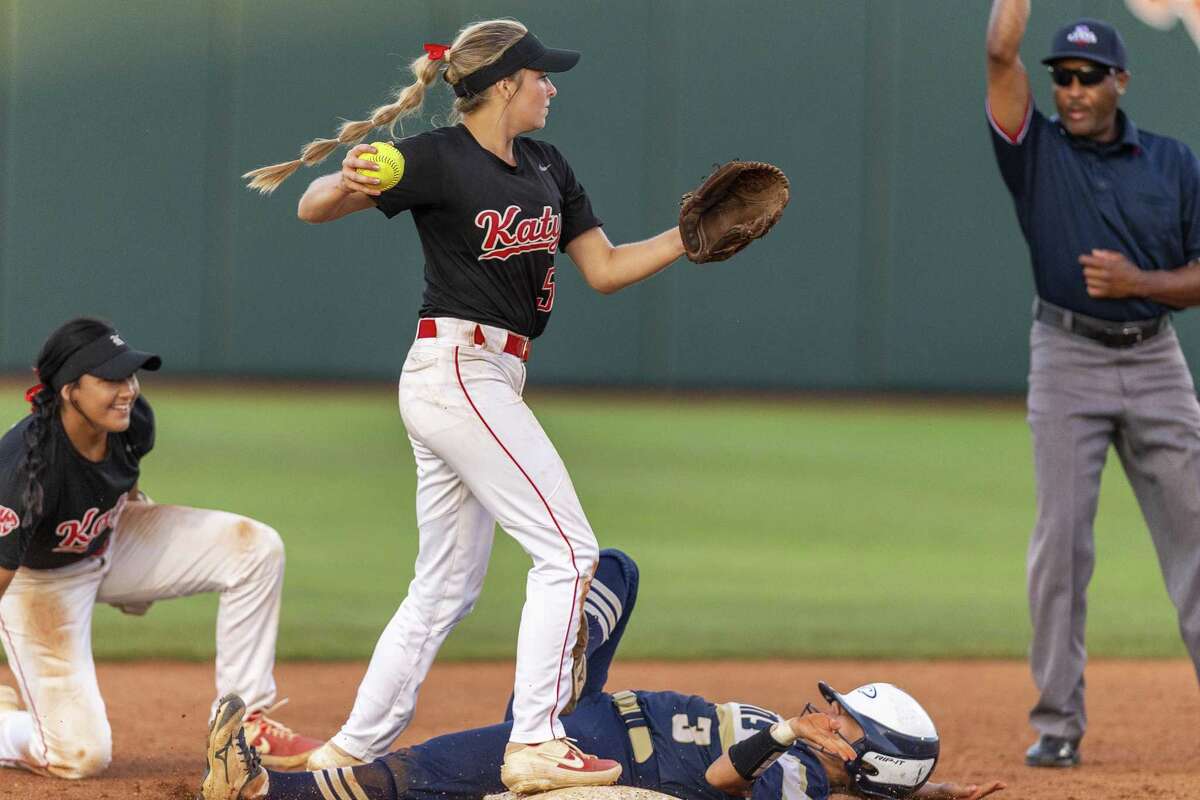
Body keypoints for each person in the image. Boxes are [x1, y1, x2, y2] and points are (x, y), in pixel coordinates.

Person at [242, 19, 696, 791]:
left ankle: (351, 751)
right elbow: (311, 207)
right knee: (569, 551)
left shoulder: (548, 165)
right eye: (542, 76)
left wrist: (689, 236)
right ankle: (536, 743)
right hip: (457, 368)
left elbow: (608, 268)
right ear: (506, 84)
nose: (552, 87)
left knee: (445, 588)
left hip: (488, 378)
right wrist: (356, 176)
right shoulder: (438, 159)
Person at [197, 548, 1005, 800]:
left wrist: (793, 736)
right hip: (590, 714)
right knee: (613, 571)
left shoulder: (801, 775)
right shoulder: (834, 769)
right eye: (834, 707)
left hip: (597, 750)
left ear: (861, 759)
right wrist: (926, 789)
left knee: (428, 776)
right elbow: (883, 778)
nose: (823, 710)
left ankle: (266, 786)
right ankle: (567, 644)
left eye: (844, 722)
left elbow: (729, 776)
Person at [985, 2, 1200, 768]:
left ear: (1120, 80)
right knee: (1063, 548)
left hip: (1155, 361)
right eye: (1063, 77)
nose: (1071, 90)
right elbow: (1001, 58)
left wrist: (1138, 279)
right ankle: (1057, 724)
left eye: (1087, 77)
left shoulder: (1174, 162)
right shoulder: (1036, 152)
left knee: (1197, 538)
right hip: (1066, 356)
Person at [0, 317, 320, 778]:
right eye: (110, 379)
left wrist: (144, 563)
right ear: (69, 390)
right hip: (37, 582)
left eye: (130, 375)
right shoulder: (23, 471)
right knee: (79, 757)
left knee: (255, 549)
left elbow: (119, 483)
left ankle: (244, 726)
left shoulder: (132, 421)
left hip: (110, 539)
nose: (127, 389)